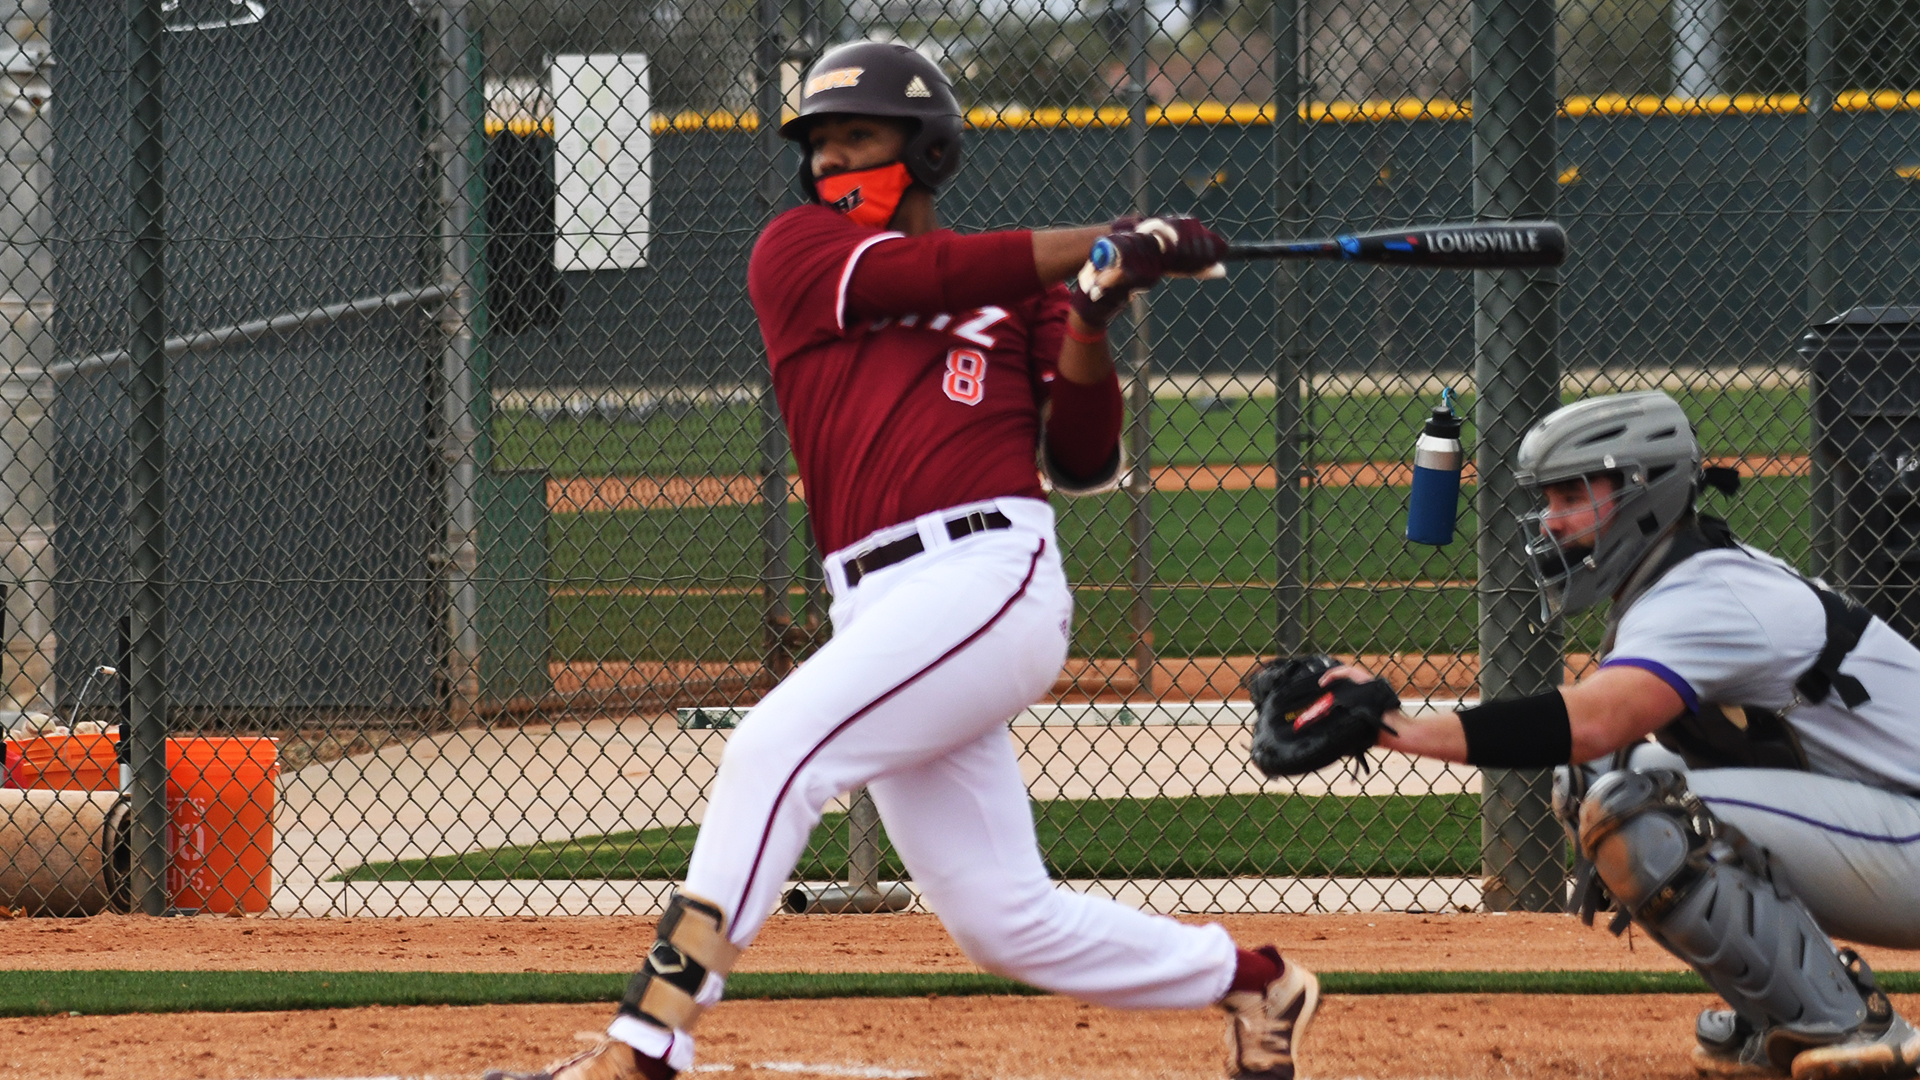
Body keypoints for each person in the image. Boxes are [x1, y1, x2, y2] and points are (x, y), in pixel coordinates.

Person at [487, 40, 1317, 1080]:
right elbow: (925, 273)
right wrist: (1105, 241)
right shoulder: (798, 251)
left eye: (859, 136)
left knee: (772, 752)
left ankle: (649, 1039)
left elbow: (1083, 457)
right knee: (1003, 921)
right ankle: (1254, 980)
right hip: (876, 604)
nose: (832, 161)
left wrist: (1093, 314)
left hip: (987, 578)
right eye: (820, 144)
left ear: (927, 149)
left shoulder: (1023, 297)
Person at [1300, 389, 1920, 1080]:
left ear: (1643, 491)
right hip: (1893, 826)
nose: (1551, 520)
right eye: (1548, 498)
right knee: (1598, 779)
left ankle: (1853, 1024)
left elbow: (1591, 721)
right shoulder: (1681, 578)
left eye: (1571, 495)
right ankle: (1785, 1010)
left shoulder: (1705, 595)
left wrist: (1398, 729)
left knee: (1634, 807)